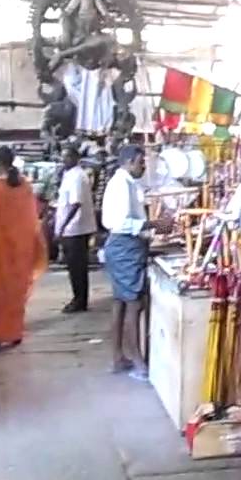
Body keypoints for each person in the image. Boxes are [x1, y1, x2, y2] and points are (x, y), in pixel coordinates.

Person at [0, 146, 48, 351]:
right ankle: (14, 333)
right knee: (16, 292)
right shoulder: (26, 185)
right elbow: (32, 217)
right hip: (22, 246)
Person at [101, 145, 166, 379]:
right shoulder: (121, 185)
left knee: (120, 302)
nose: (143, 166)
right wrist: (154, 225)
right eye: (140, 162)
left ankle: (118, 357)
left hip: (126, 246)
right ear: (129, 162)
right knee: (133, 303)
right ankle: (137, 361)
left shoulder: (128, 184)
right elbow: (121, 223)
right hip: (124, 246)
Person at [55, 145, 97, 313]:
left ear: (75, 158)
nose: (63, 160)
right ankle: (78, 298)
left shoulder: (78, 177)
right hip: (72, 228)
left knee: (77, 267)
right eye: (62, 157)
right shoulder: (69, 175)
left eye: (67, 157)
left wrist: (63, 226)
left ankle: (80, 300)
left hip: (76, 229)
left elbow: (75, 203)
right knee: (74, 267)